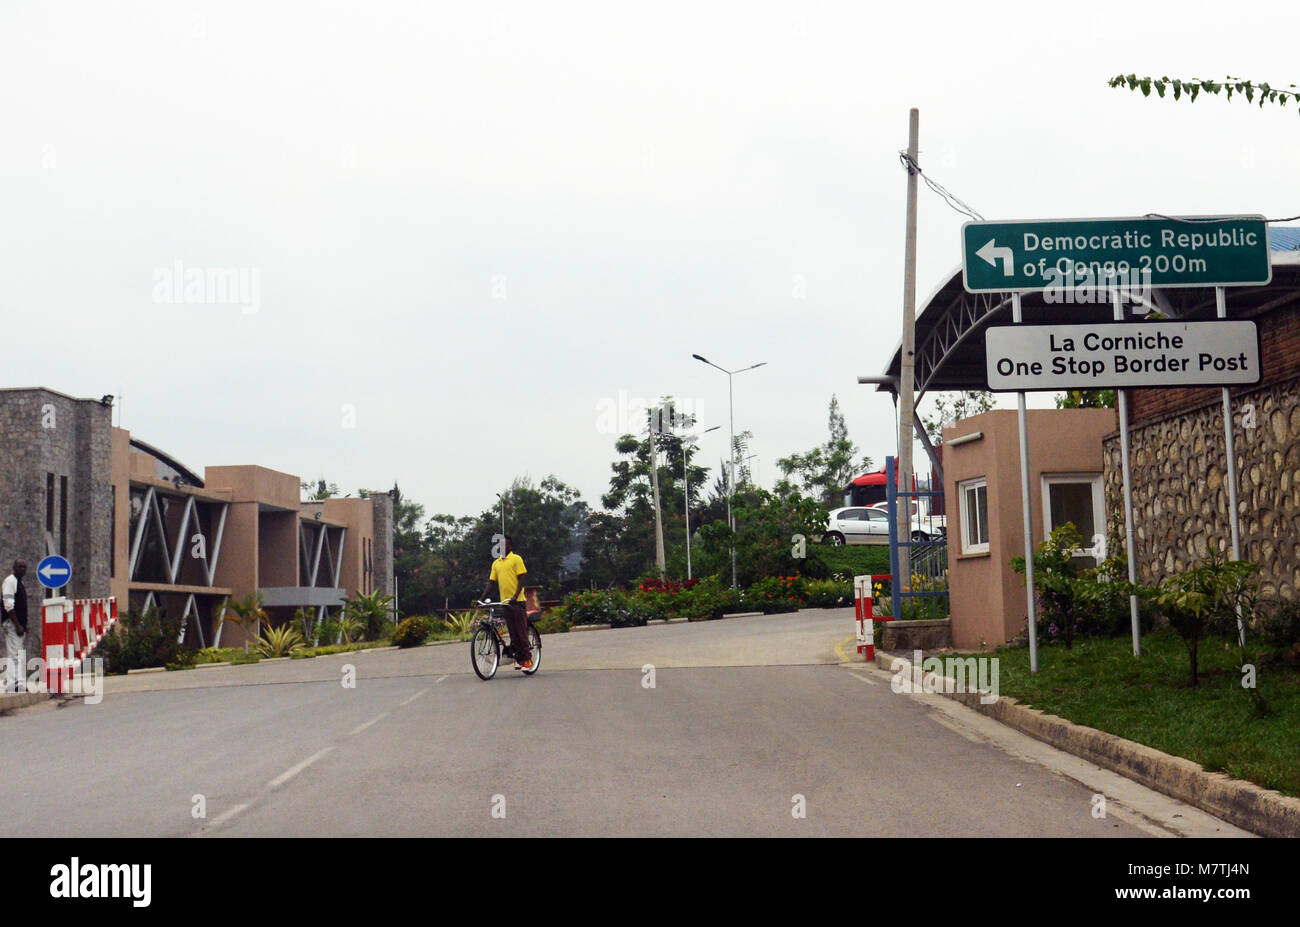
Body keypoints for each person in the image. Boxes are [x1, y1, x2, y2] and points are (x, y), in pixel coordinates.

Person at [480, 536, 531, 671]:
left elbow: (522, 578)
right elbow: (491, 583)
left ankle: (527, 660)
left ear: (510, 546)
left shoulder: (516, 559)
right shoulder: (496, 563)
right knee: (513, 634)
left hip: (517, 601)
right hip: (505, 603)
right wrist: (481, 598)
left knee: (521, 633)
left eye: (504, 544)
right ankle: (517, 657)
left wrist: (515, 596)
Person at [2, 560, 28, 693]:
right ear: (14, 568)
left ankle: (19, 683)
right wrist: (17, 625)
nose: (22, 569)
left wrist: (24, 625)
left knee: (19, 654)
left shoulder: (20, 583)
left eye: (24, 567)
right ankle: (12, 684)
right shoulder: (10, 582)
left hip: (18, 625)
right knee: (14, 655)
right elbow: (8, 604)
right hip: (12, 625)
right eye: (20, 566)